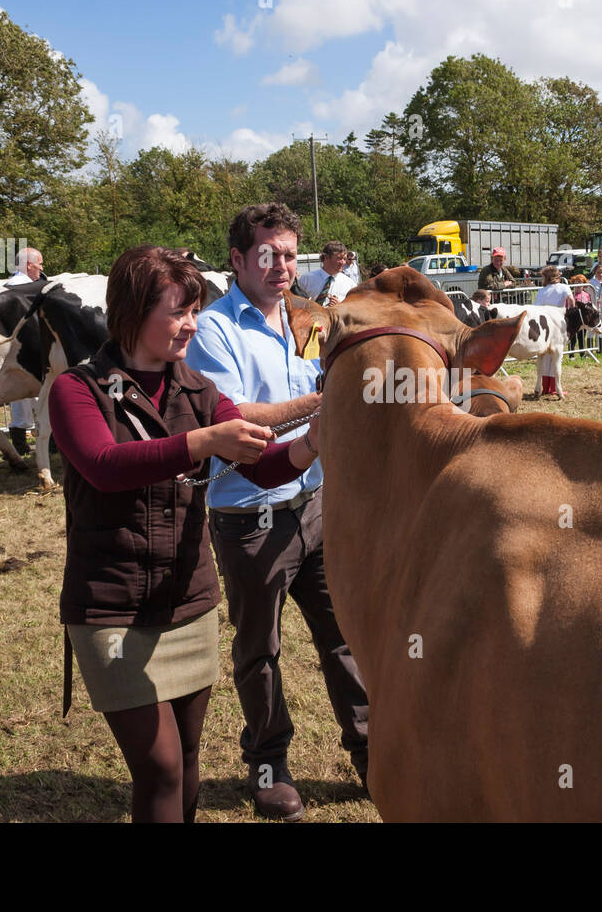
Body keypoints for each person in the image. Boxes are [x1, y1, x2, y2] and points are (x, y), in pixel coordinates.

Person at [50, 245, 321, 823]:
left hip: (189, 601)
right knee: (161, 768)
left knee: (190, 757)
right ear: (130, 312)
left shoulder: (196, 388)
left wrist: (313, 442)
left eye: (195, 310)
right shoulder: (77, 389)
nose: (192, 325)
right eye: (178, 311)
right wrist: (202, 443)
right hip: (112, 609)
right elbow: (105, 464)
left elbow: (261, 464)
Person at [188, 203, 368, 821]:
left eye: (291, 254)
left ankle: (372, 751)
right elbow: (234, 418)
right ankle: (268, 763)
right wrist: (326, 399)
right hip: (248, 515)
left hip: (315, 505)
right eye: (268, 254)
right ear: (237, 259)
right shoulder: (213, 328)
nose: (283, 266)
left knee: (343, 637)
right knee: (259, 650)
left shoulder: (307, 319)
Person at [5, 246, 45, 453]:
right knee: (25, 395)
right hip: (22, 348)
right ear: (29, 265)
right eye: (39, 263)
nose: (41, 268)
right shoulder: (21, 287)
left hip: (25, 347)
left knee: (29, 395)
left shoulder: (15, 284)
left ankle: (29, 440)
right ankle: (23, 442)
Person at [298, 241, 357, 307]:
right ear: (326, 257)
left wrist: (340, 307)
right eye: (339, 258)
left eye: (344, 259)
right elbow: (295, 305)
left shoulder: (350, 285)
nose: (343, 262)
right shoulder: (306, 279)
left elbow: (355, 309)